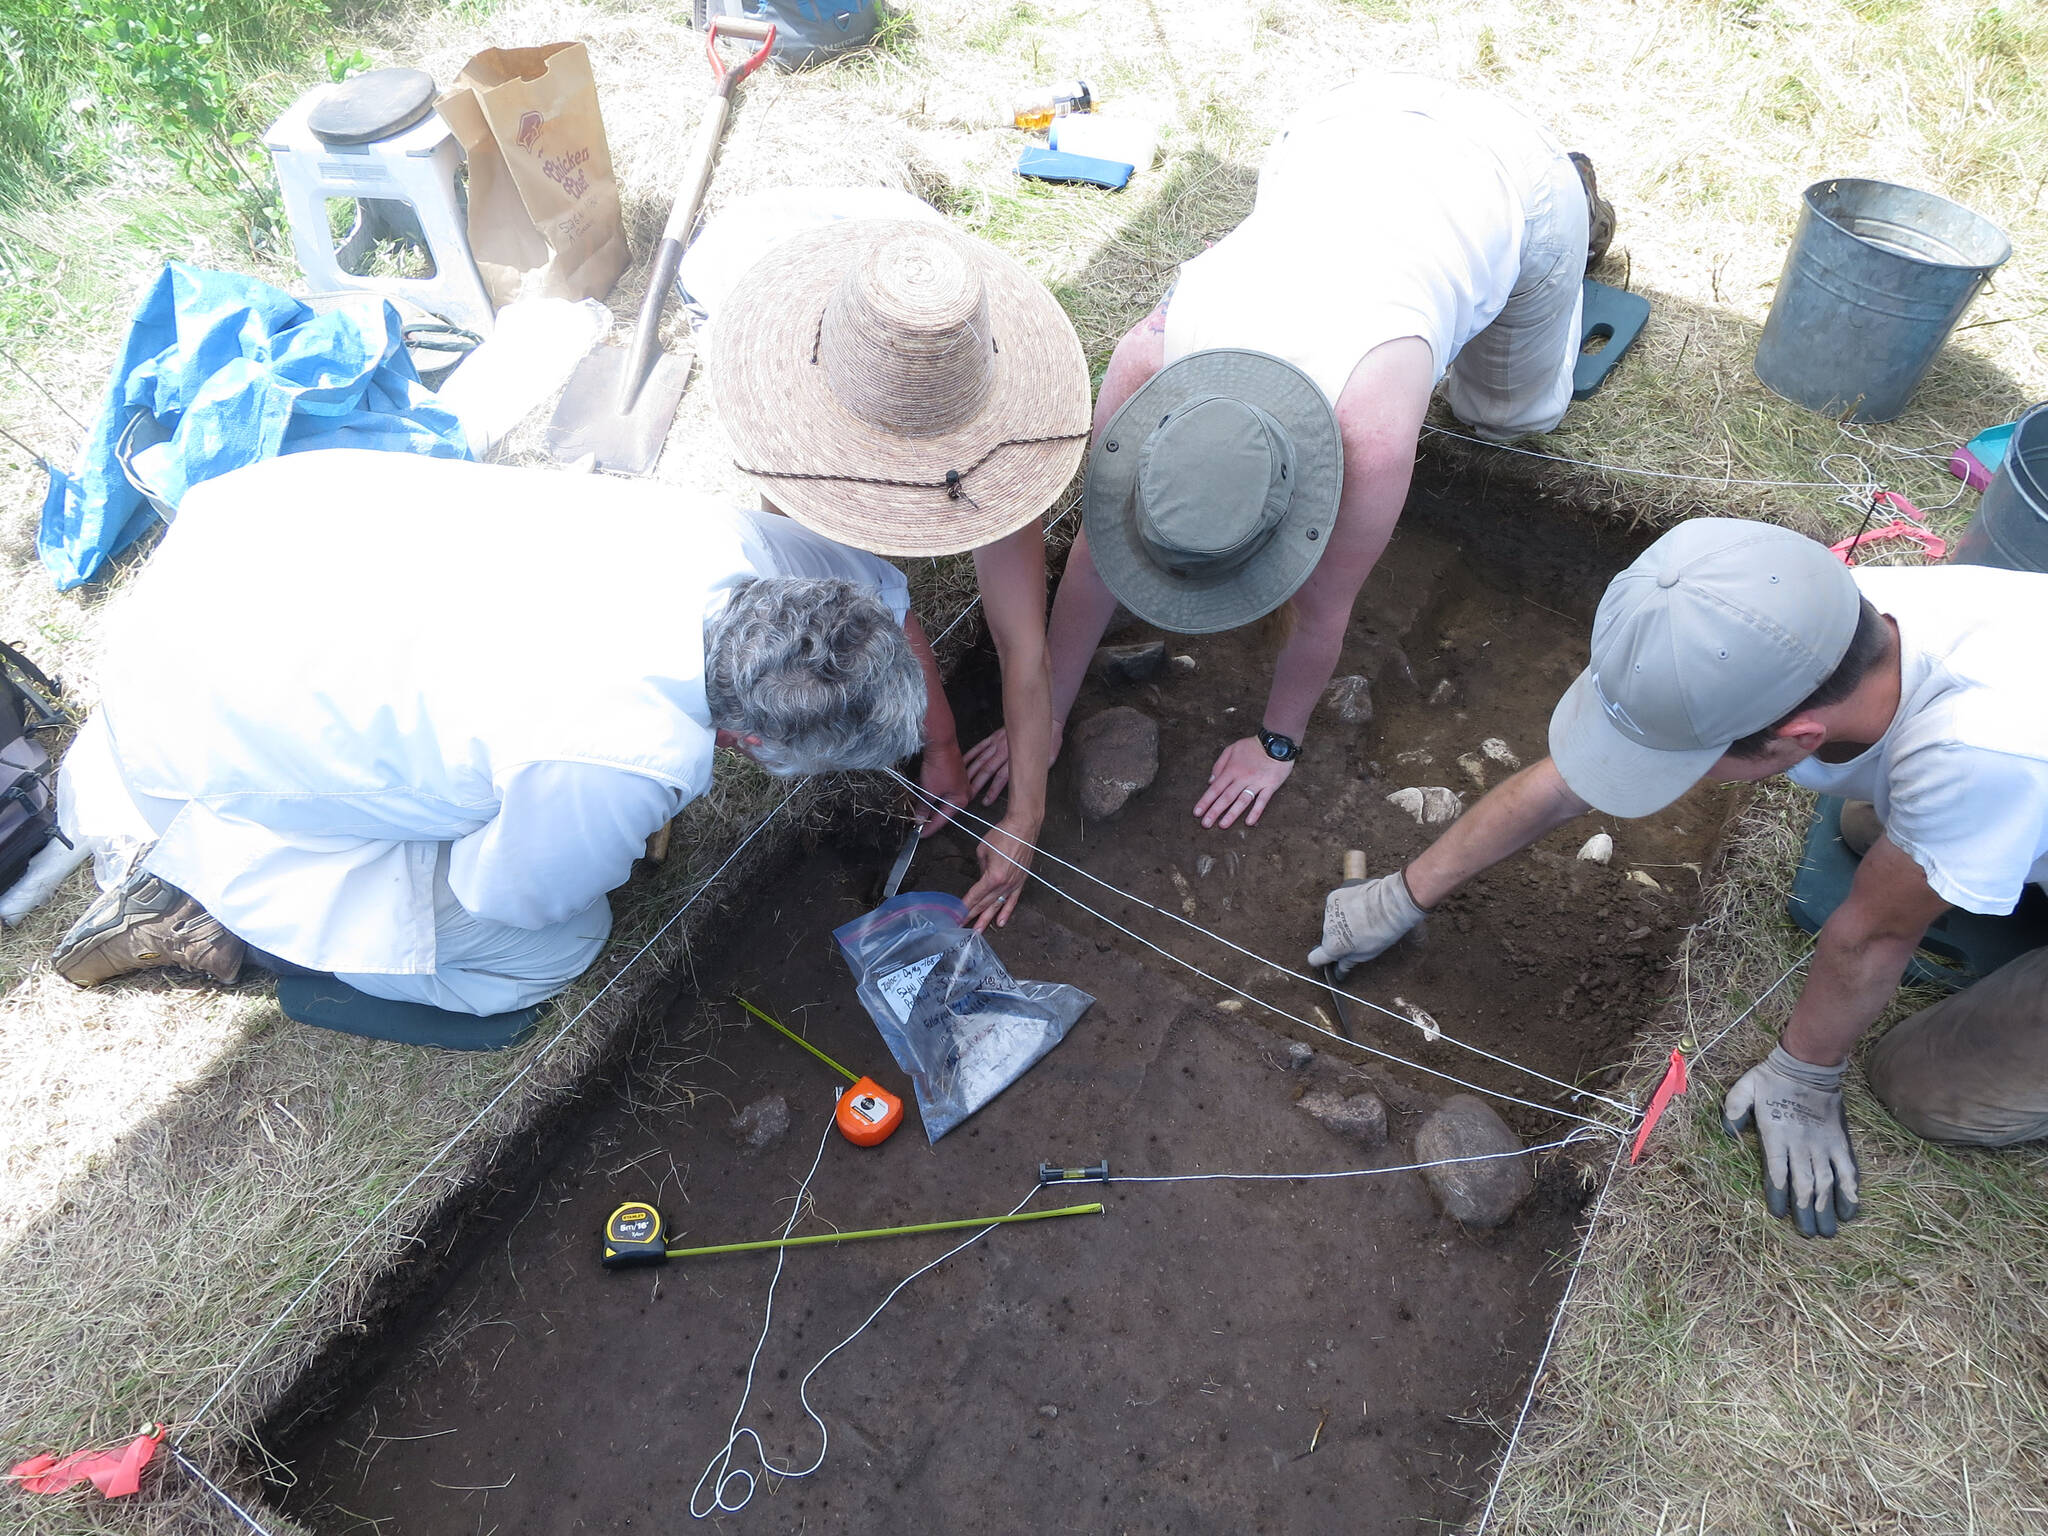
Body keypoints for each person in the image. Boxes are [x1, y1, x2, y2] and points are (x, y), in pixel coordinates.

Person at [1307, 517, 2048, 1237]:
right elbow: (1571, 782)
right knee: (1871, 827)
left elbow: (1874, 936)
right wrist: (1407, 891)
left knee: (1921, 1087)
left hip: (2010, 770)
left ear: (1796, 741)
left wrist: (1806, 1072)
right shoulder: (1799, 617)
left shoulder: (1978, 754)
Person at [50, 449, 949, 1019]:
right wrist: (586, 833)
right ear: (748, 743)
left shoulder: (737, 548)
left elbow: (890, 599)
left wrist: (938, 747)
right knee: (553, 946)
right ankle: (208, 909)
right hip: (188, 732)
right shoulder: (619, 756)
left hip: (253, 542)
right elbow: (501, 895)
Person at [963, 74, 1614, 830]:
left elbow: (1321, 609)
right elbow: (1097, 553)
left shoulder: (1367, 431)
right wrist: (1046, 712)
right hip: (1334, 128)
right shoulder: (1146, 362)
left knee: (1507, 415)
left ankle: (1583, 199)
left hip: (1509, 179)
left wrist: (1278, 742)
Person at [711, 217, 1092, 932]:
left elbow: (1023, 647)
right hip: (822, 271)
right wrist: (941, 743)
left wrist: (1026, 816)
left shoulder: (992, 441)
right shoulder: (803, 448)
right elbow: (864, 601)